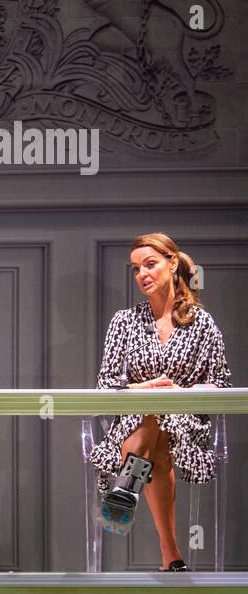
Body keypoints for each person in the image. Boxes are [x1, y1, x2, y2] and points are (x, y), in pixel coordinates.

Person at [88, 232, 233, 571]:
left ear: (172, 263)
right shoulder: (123, 322)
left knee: (162, 422)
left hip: (186, 425)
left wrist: (179, 395)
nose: (142, 275)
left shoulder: (202, 323)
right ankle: (171, 555)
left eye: (150, 265)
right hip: (131, 423)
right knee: (153, 419)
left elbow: (220, 385)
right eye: (136, 269)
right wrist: (146, 388)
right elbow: (107, 386)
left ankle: (127, 486)